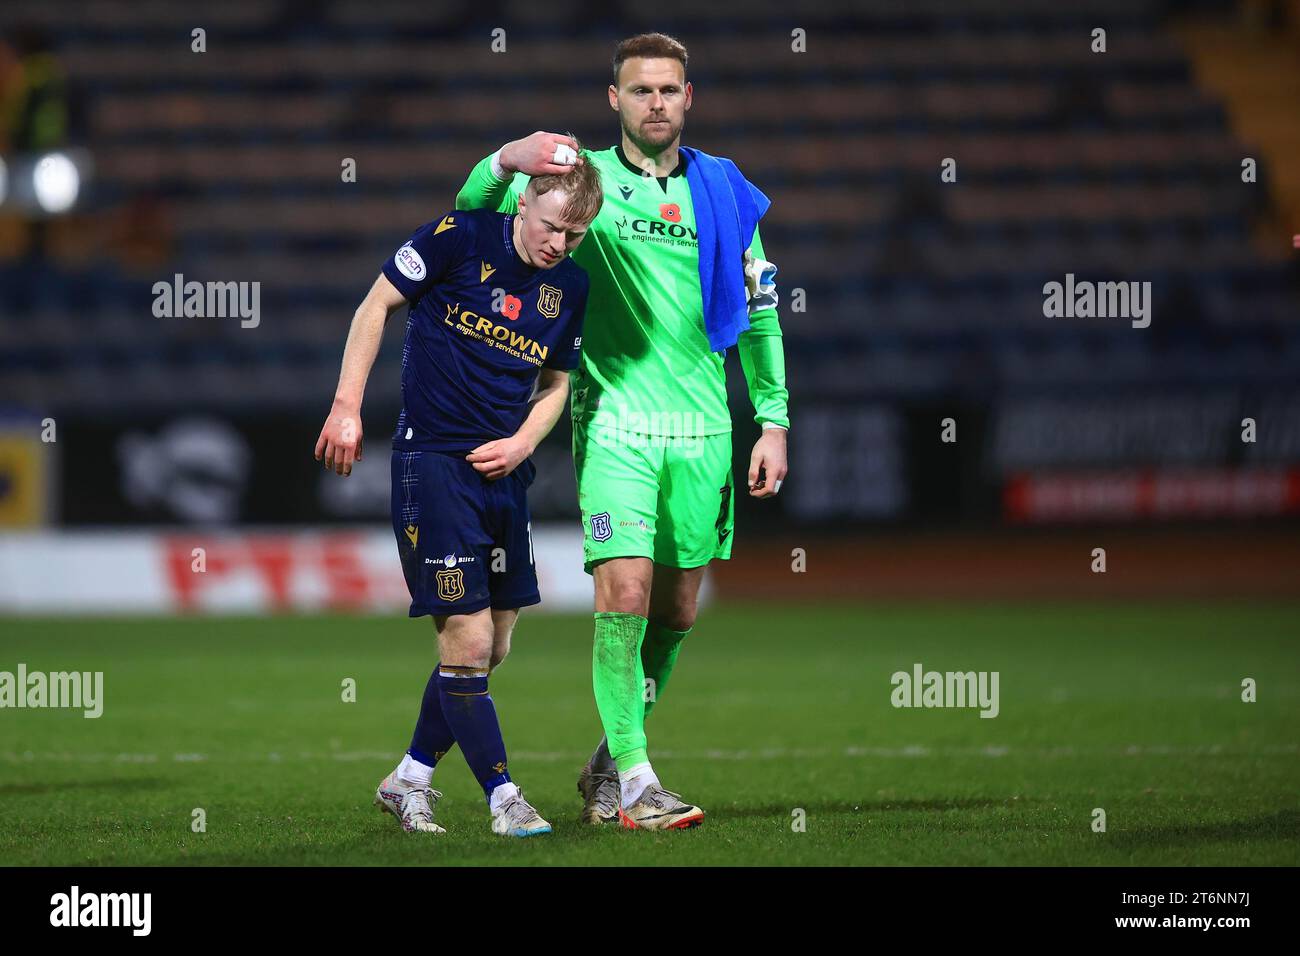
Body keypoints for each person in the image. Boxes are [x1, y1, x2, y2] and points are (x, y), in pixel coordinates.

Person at [454, 33, 789, 830]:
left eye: (669, 90)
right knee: (625, 594)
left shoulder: (724, 193)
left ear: (688, 97)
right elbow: (470, 215)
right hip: (615, 425)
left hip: (704, 429)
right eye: (640, 90)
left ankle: (610, 761)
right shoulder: (581, 183)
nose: (656, 103)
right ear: (616, 100)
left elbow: (762, 313)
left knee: (673, 613)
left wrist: (771, 419)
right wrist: (504, 159)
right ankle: (639, 784)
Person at [315, 154, 603, 836]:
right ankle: (505, 799)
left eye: (576, 235)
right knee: (468, 643)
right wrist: (346, 406)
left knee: (493, 648)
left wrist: (526, 443)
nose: (558, 245)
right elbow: (376, 302)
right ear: (526, 202)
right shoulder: (460, 235)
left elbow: (557, 383)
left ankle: (409, 777)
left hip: (505, 475)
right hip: (434, 465)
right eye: (554, 226)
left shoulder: (572, 287)